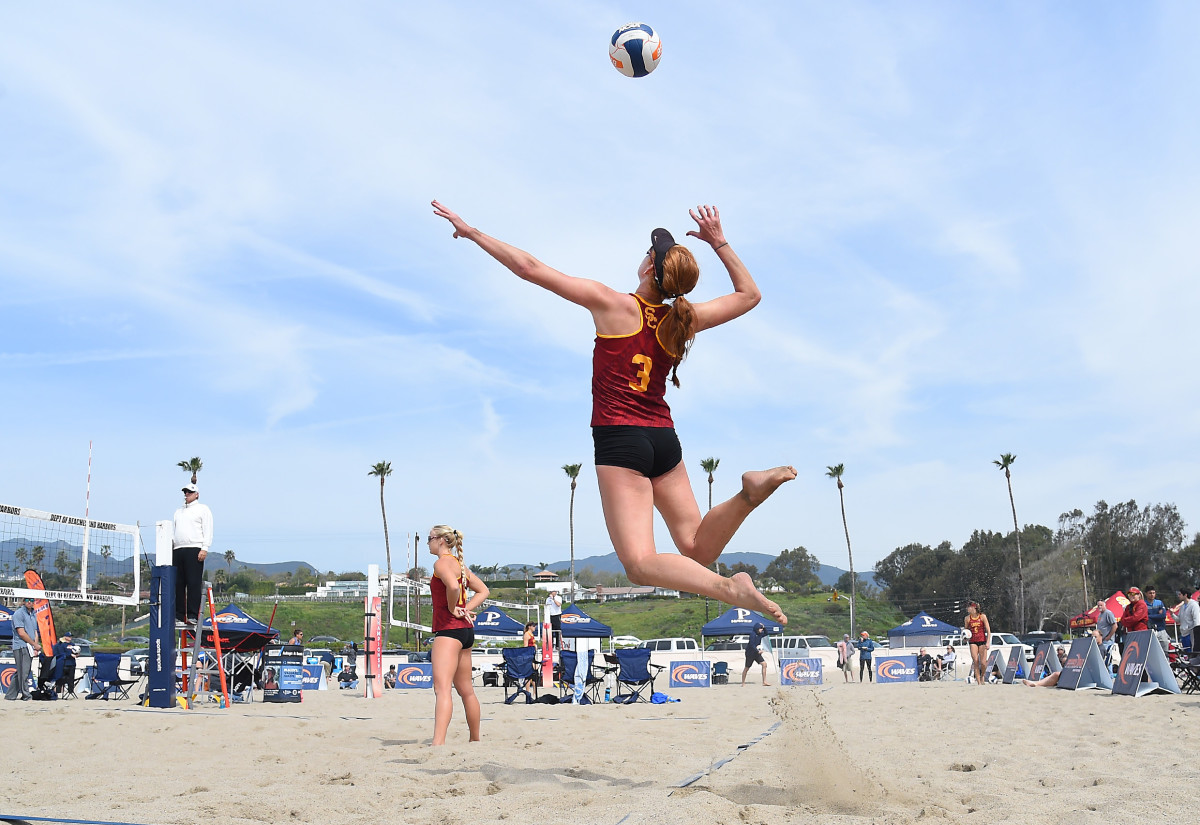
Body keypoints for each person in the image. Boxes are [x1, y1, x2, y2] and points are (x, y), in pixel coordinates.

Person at [432, 201, 796, 624]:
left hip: (621, 441)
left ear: (648, 270)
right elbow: (749, 295)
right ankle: (748, 495)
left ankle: (730, 588)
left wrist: (473, 232)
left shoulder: (615, 305)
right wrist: (720, 242)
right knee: (697, 547)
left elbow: (530, 268)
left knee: (639, 564)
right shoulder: (683, 320)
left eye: (648, 252)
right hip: (663, 439)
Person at [428, 524, 489, 746]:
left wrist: (455, 608)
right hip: (466, 631)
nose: (428, 542)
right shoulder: (459, 565)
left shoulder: (442, 563)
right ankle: (475, 739)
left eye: (430, 538)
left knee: (442, 689)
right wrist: (467, 608)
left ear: (441, 540)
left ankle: (438, 742)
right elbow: (484, 591)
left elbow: (453, 588)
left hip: (449, 630)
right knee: (467, 691)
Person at [172, 482, 213, 626]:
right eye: (185, 492)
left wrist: (204, 547)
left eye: (189, 492)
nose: (187, 494)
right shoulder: (179, 511)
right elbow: (175, 530)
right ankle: (178, 615)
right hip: (178, 549)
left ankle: (192, 614)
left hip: (194, 548)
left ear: (197, 494)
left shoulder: (203, 509)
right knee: (178, 583)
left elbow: (208, 529)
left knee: (193, 582)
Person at [4, 597, 41, 701]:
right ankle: (26, 695)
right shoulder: (19, 614)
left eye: (32, 600)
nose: (30, 602)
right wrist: (33, 644)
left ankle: (10, 695)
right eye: (27, 600)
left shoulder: (34, 614)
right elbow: (21, 633)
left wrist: (35, 646)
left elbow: (35, 632)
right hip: (21, 645)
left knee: (22, 671)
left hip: (30, 646)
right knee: (23, 672)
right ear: (24, 601)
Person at [965, 602, 990, 686]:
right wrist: (965, 637)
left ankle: (982, 676)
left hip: (982, 640)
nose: (967, 609)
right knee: (975, 661)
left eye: (969, 607)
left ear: (974, 608)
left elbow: (988, 630)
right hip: (973, 641)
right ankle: (979, 682)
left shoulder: (982, 616)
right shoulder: (967, 618)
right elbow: (966, 630)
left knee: (983, 662)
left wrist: (988, 642)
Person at [1169, 588, 1199, 652]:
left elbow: (1196, 620)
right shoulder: (1182, 606)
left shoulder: (1194, 605)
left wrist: (1196, 633)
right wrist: (1172, 614)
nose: (1178, 596)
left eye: (1180, 594)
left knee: (1193, 652)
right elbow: (1179, 620)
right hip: (1183, 634)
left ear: (1185, 595)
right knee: (1186, 653)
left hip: (1191, 633)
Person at [740, 622, 770, 686]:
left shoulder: (760, 634)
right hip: (750, 653)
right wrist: (757, 651)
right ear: (757, 628)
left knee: (764, 664)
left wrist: (764, 627)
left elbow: (766, 633)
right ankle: (743, 683)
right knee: (747, 668)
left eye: (762, 629)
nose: (761, 630)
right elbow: (751, 645)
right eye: (760, 628)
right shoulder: (752, 634)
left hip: (756, 653)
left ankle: (764, 682)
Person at [1094, 599, 1118, 666]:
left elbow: (1115, 626)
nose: (1100, 607)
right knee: (1104, 659)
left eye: (1101, 605)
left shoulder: (1108, 613)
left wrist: (1109, 636)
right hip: (1101, 641)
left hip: (1107, 641)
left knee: (1106, 659)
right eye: (1098, 605)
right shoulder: (1100, 615)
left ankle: (1109, 675)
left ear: (1105, 605)